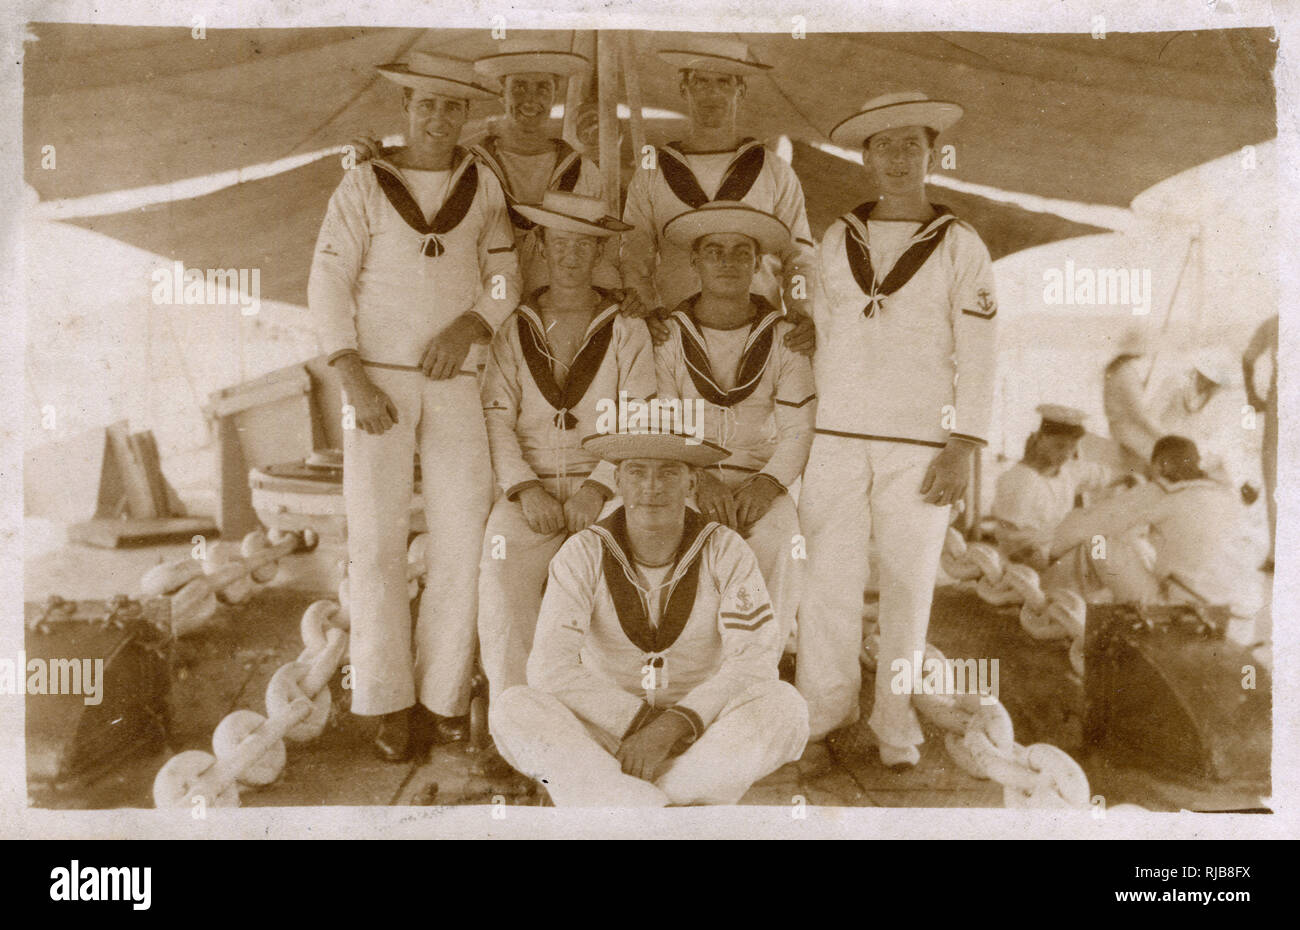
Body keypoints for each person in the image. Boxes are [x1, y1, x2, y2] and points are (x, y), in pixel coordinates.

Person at [307, 52, 521, 761]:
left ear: (466, 114)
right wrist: (351, 377)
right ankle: (386, 701)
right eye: (426, 104)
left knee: (464, 539)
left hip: (457, 377)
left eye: (452, 106)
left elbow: (505, 275)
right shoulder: (364, 182)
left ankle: (441, 698)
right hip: (377, 387)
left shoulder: (483, 181)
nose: (438, 118)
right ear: (406, 106)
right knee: (375, 543)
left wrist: (472, 325)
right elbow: (329, 281)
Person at [797, 92, 998, 768]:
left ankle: (895, 724)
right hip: (836, 437)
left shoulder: (960, 245)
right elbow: (824, 325)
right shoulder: (837, 235)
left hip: (919, 445)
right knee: (827, 579)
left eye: (911, 143)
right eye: (885, 145)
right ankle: (824, 710)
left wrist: (964, 444)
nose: (899, 157)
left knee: (909, 588)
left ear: (931, 152)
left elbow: (980, 352)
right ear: (866, 156)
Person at [489, 427, 809, 806]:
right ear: (618, 480)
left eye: (669, 472)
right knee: (513, 707)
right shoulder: (582, 552)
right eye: (637, 471)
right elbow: (549, 669)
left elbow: (754, 662)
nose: (652, 486)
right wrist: (639, 726)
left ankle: (625, 806)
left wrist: (671, 728)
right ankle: (675, 808)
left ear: (692, 481)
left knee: (785, 705)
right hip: (607, 733)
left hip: (699, 734)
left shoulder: (727, 550)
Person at [477, 191, 652, 698]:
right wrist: (525, 488)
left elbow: (638, 415)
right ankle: (514, 713)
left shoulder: (627, 327)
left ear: (600, 254)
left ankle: (608, 712)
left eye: (584, 246)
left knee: (623, 587)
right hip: (528, 491)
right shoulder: (512, 327)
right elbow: (495, 417)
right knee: (500, 570)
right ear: (542, 249)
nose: (572, 257)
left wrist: (597, 489)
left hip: (608, 489)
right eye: (560, 245)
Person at [653, 201, 816, 647]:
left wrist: (768, 485)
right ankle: (675, 670)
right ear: (694, 261)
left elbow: (799, 429)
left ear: (758, 263)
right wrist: (696, 479)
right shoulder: (667, 334)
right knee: (650, 537)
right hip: (684, 477)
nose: (728, 262)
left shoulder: (785, 336)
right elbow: (662, 423)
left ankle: (762, 669)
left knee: (782, 541)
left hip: (758, 480)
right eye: (714, 251)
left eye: (741, 252)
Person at [346, 39, 616, 292]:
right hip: (480, 307)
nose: (531, 99)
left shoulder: (582, 172)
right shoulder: (468, 166)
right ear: (502, 92)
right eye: (519, 86)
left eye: (543, 88)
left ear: (555, 94)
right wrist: (366, 158)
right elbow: (415, 181)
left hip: (548, 308)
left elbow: (601, 250)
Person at [618, 37, 815, 354]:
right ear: (684, 88)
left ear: (741, 89)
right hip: (675, 334)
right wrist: (647, 307)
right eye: (700, 82)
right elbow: (634, 256)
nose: (711, 94)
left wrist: (801, 308)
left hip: (757, 333)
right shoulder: (652, 172)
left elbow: (800, 256)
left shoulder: (774, 171)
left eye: (723, 82)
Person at [1046, 436, 1260, 620]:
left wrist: (1047, 551)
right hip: (1235, 610)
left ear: (1161, 465)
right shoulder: (1225, 495)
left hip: (1179, 609)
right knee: (1144, 549)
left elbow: (1089, 523)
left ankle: (1055, 602)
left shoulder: (1164, 491)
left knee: (1098, 543)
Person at [991, 405, 1121, 571]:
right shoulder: (1018, 480)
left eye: (1072, 447)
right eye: (1059, 446)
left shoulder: (1068, 470)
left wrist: (1130, 477)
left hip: (1059, 556)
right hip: (1028, 566)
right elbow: (1013, 545)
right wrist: (1050, 568)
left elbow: (1103, 476)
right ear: (1039, 439)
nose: (1066, 453)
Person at [1242, 315, 1278, 572]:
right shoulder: (1274, 321)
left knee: (1275, 477)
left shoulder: (1275, 321)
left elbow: (1247, 358)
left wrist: (1252, 395)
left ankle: (1277, 554)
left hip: (1280, 400)